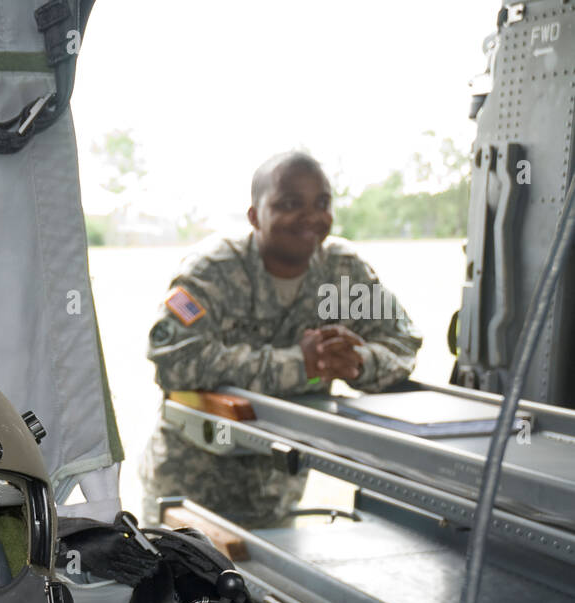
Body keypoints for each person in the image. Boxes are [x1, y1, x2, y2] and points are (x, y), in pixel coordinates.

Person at [143, 151, 422, 527]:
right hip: (190, 489)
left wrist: (358, 362)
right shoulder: (213, 271)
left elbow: (403, 342)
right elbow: (173, 360)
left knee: (268, 584)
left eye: (322, 203)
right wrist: (300, 365)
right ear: (255, 216)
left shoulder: (342, 273)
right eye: (290, 204)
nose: (310, 217)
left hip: (277, 492)